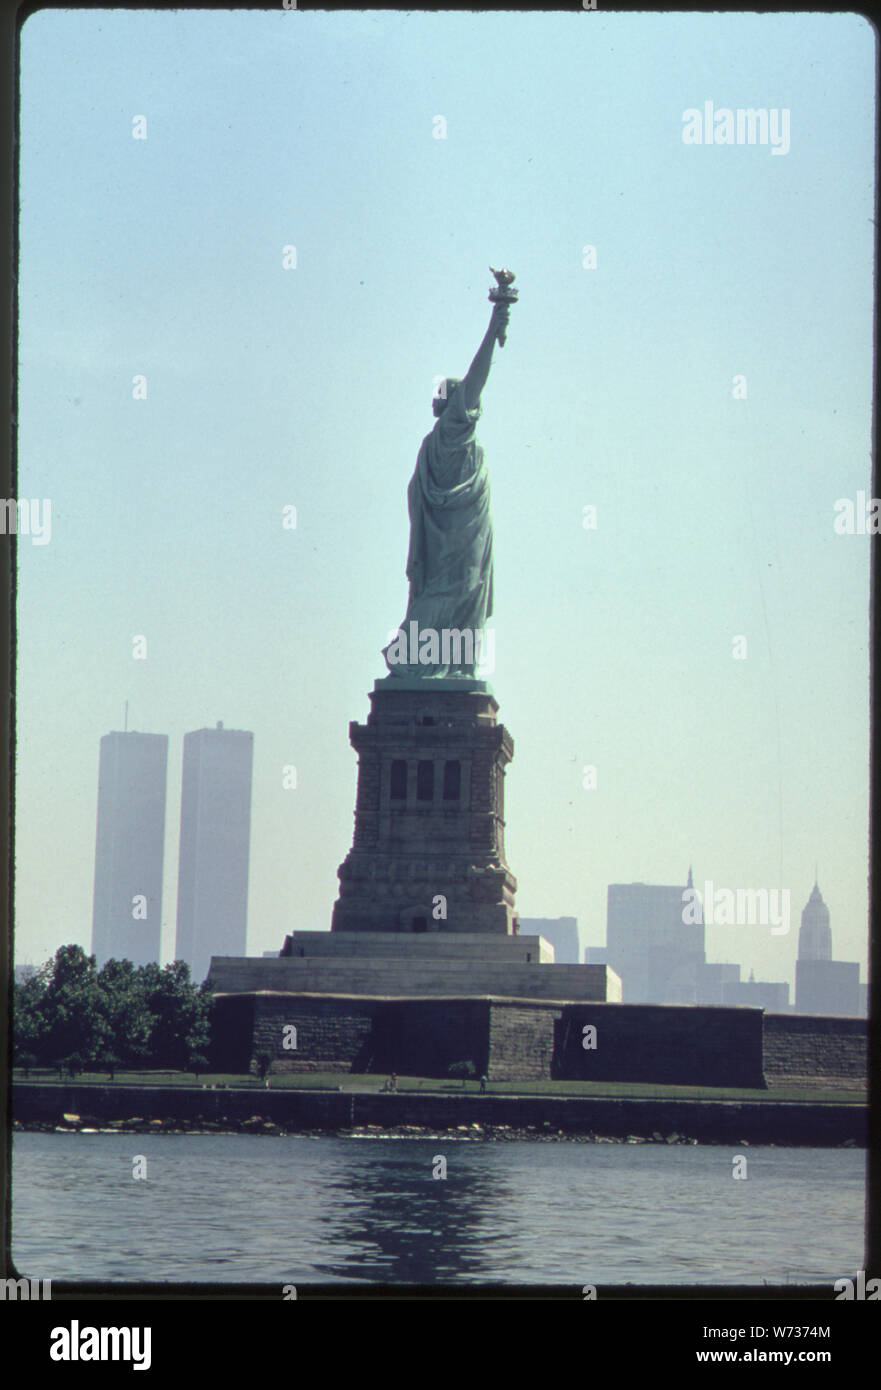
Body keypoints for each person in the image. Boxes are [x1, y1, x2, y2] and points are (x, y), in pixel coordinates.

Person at [383, 301, 510, 679]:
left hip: (456, 536)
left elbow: (476, 377)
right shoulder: (442, 437)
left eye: (444, 394)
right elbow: (478, 375)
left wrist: (498, 318)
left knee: (462, 595)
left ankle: (453, 668)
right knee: (455, 594)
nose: (436, 398)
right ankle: (434, 664)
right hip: (448, 541)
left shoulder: (449, 432)